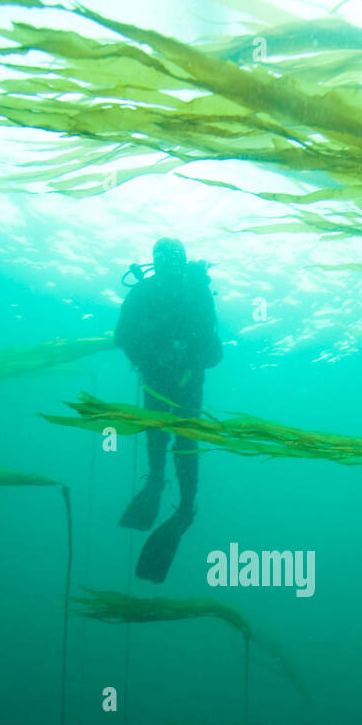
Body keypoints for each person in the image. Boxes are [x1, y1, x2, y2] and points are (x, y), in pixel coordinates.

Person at [115, 238, 223, 582]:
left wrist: (185, 360)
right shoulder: (143, 292)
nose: (170, 265)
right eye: (164, 259)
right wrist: (154, 358)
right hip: (158, 377)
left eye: (174, 259)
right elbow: (123, 336)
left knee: (182, 437)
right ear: (156, 262)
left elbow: (211, 342)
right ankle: (160, 484)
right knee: (162, 434)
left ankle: (184, 506)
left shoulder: (195, 290)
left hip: (186, 378)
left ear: (183, 261)